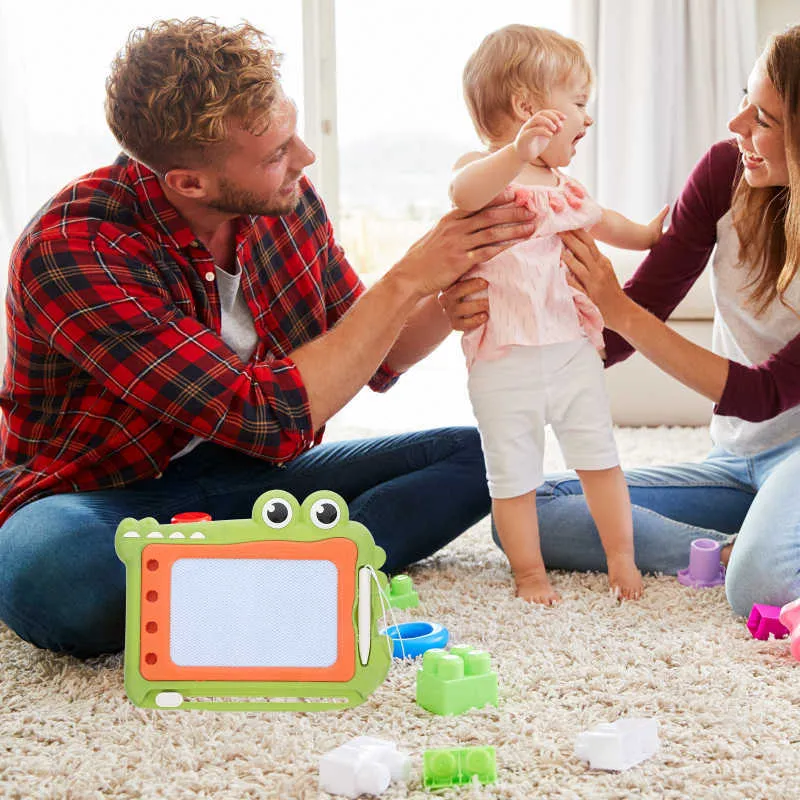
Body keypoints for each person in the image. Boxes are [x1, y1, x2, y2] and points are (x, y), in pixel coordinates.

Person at [0, 18, 539, 658]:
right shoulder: (74, 249)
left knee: (483, 456)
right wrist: (406, 279)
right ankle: (315, 575)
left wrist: (451, 297)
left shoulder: (281, 199)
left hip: (249, 482)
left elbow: (373, 348)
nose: (305, 158)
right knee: (53, 573)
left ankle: (251, 587)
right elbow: (270, 415)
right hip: (101, 498)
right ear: (189, 182)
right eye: (277, 153)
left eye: (293, 132)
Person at [443, 25, 800, 618]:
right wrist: (529, 332)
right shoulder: (723, 172)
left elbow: (761, 394)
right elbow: (642, 305)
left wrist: (614, 307)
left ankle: (761, 549)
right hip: (736, 461)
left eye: (763, 118)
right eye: (744, 99)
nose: (737, 125)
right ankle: (745, 540)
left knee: (758, 586)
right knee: (530, 516)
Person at [448, 25, 668, 604]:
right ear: (528, 110)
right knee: (514, 475)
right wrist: (515, 153)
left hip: (571, 350)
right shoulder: (486, 171)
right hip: (503, 357)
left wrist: (646, 235)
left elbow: (603, 221)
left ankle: (622, 560)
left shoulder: (564, 188)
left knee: (600, 459)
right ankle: (529, 574)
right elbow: (464, 192)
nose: (587, 119)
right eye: (577, 104)